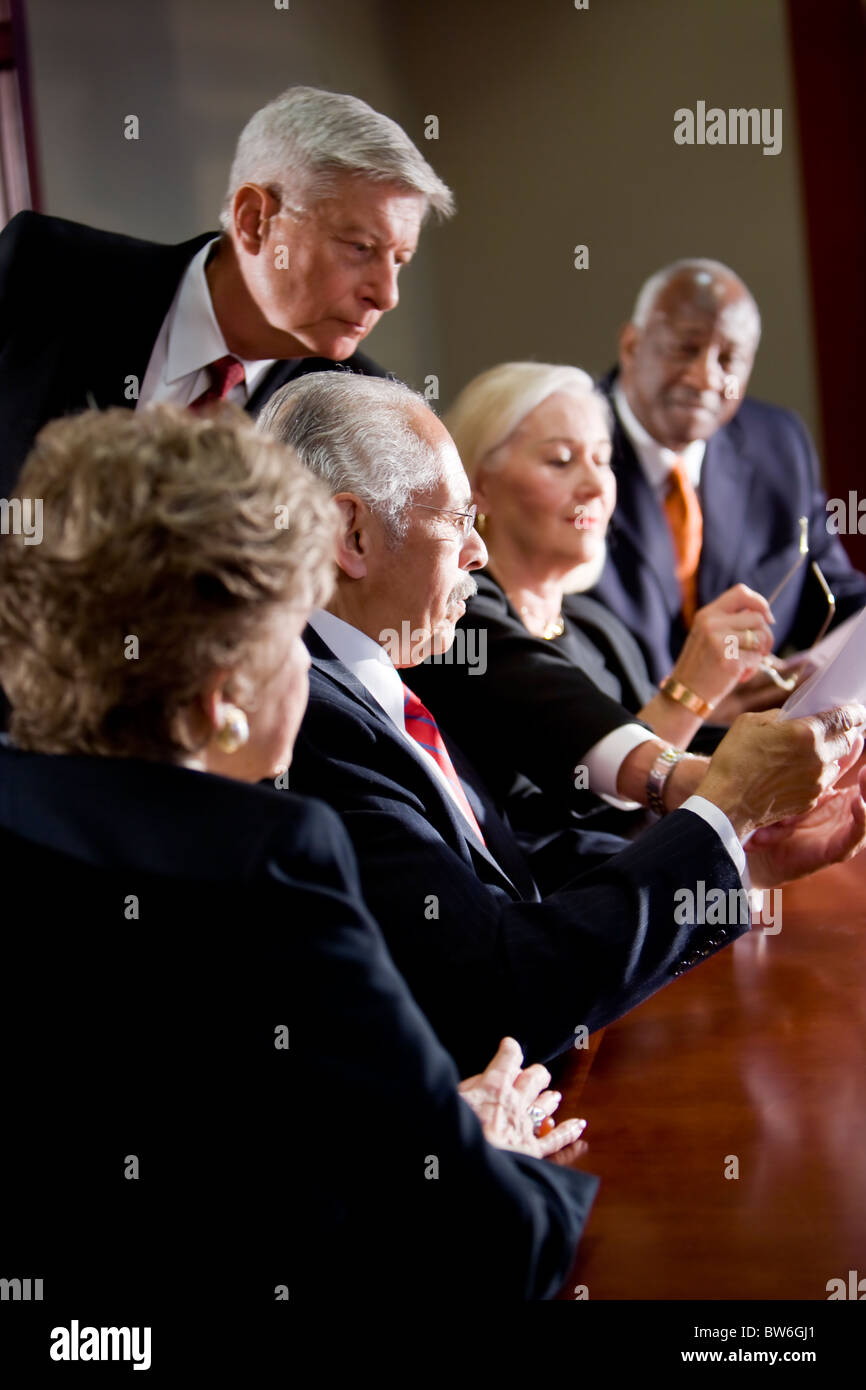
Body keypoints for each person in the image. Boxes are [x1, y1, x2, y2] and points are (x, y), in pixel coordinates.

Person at [0, 404, 599, 1316]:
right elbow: (500, 1246)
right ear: (225, 695)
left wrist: (419, 1138)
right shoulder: (267, 865)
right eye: (293, 635)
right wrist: (473, 1157)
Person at [259, 371, 866, 1076]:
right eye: (458, 520)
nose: (476, 552)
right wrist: (725, 807)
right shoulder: (306, 718)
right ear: (352, 534)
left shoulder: (379, 688)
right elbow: (500, 986)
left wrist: (742, 855)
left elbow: (531, 894)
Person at [0, 85, 453, 499]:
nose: (387, 295)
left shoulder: (359, 409)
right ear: (254, 219)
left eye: (399, 260)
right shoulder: (44, 270)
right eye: (360, 248)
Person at [404, 361, 777, 834]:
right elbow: (596, 808)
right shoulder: (454, 617)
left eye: (603, 460)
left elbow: (679, 758)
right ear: (478, 487)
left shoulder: (598, 627)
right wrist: (690, 691)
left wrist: (787, 736)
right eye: (561, 460)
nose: (596, 485)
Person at [590, 258, 866, 689]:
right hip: (609, 742)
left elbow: (832, 595)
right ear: (631, 345)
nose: (705, 377)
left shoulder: (778, 444)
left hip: (761, 730)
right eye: (686, 349)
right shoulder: (565, 447)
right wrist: (694, 703)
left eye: (729, 358)